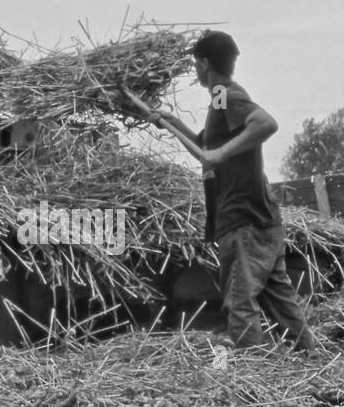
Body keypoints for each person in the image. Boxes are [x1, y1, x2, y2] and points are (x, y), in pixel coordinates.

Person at [120, 31, 314, 352]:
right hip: (260, 220)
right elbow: (205, 146)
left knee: (239, 302)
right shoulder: (219, 101)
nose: (195, 67)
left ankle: (250, 379)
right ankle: (311, 358)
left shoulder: (225, 93)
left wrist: (221, 155)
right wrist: (170, 121)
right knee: (279, 301)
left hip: (244, 219)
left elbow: (265, 123)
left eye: (196, 62)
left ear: (204, 63)